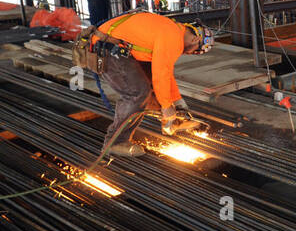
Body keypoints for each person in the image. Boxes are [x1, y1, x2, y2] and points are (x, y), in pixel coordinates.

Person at [81, 10, 214, 156]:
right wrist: (166, 106)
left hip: (116, 46)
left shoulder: (173, 30)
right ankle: (115, 143)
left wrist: (177, 102)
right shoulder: (173, 38)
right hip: (107, 48)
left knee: (154, 87)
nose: (188, 53)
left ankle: (173, 121)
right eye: (194, 51)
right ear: (195, 40)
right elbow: (160, 73)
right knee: (138, 93)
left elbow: (165, 72)